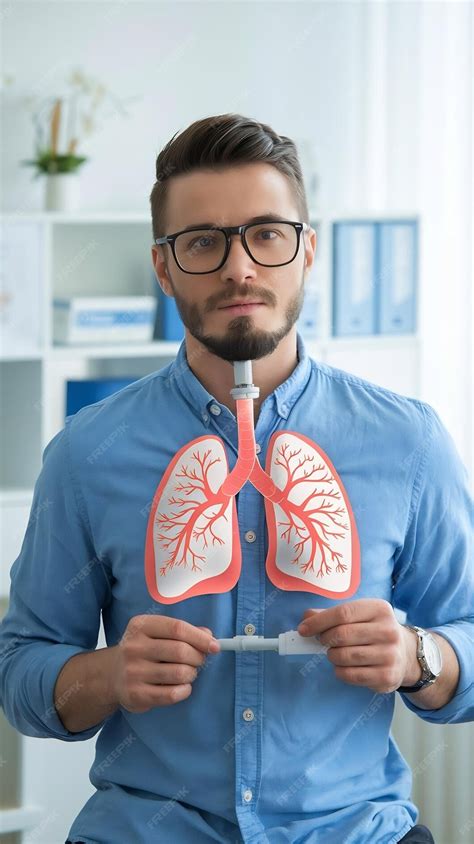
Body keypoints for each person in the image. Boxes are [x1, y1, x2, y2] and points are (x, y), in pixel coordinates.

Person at [0, 114, 472, 844]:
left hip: (356, 831)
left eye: (267, 234)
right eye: (202, 242)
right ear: (163, 267)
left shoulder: (408, 441)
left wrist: (419, 656)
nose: (239, 268)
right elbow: (21, 672)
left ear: (308, 249)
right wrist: (110, 674)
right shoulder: (87, 452)